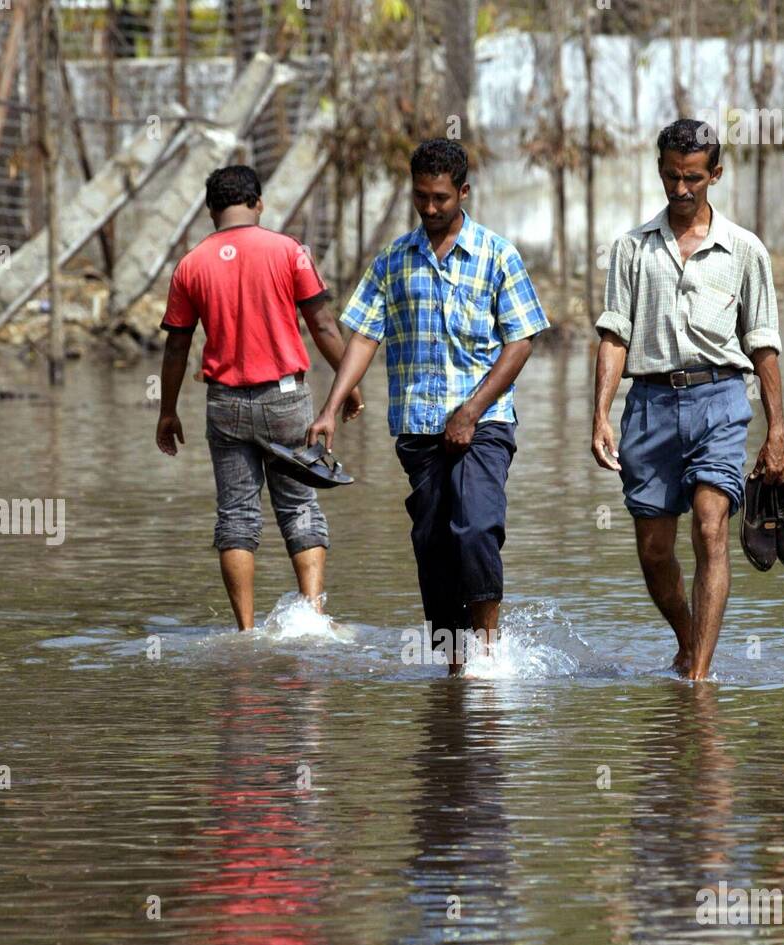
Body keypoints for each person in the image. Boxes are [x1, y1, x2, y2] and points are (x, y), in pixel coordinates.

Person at [306, 138, 549, 673]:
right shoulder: (394, 260)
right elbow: (365, 336)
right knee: (433, 542)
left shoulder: (496, 254)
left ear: (463, 192)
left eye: (441, 197)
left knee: (477, 527)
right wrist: (331, 406)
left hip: (484, 423)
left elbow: (522, 340)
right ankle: (452, 665)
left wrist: (472, 410)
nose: (431, 208)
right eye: (421, 197)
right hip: (418, 430)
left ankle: (488, 653)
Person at [591, 118, 784, 680]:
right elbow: (614, 335)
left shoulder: (745, 250)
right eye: (672, 177)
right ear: (660, 170)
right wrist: (601, 413)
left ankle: (698, 678)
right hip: (649, 406)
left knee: (709, 525)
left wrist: (776, 433)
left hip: (720, 400)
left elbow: (764, 345)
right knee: (654, 550)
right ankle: (687, 638)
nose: (681, 190)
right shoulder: (631, 249)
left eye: (694, 179)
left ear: (715, 175)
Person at [155, 164, 362, 630]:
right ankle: (311, 620)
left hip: (224, 402)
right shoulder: (289, 251)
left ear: (211, 211)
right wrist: (347, 386)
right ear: (259, 204)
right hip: (286, 399)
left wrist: (167, 411)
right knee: (299, 506)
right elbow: (324, 325)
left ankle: (246, 632)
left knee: (236, 516)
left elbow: (176, 347)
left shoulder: (191, 264)